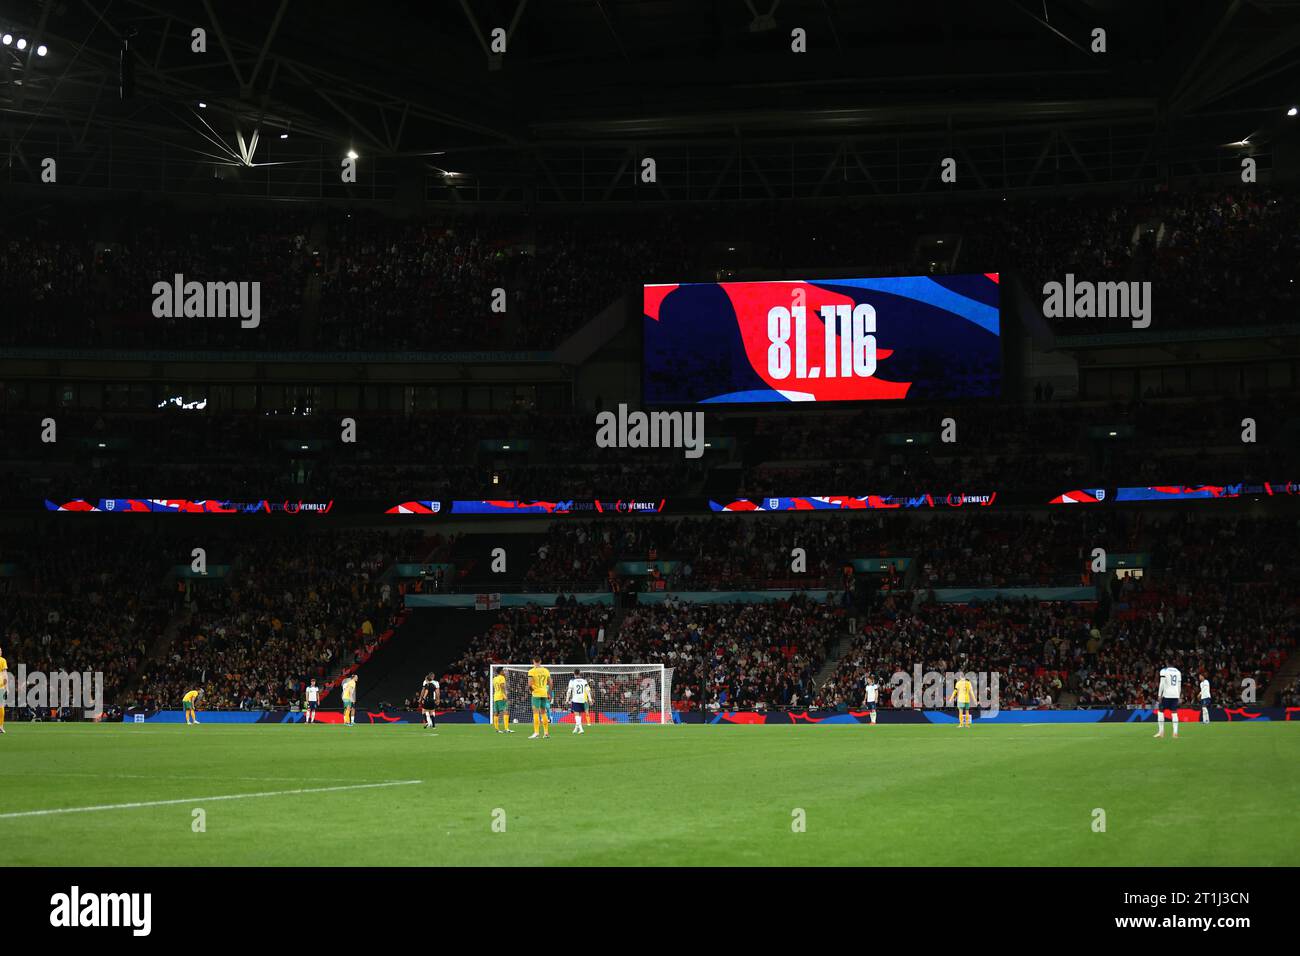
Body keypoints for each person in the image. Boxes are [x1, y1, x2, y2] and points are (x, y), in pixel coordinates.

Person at [1153, 664, 1181, 739]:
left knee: (1160, 711)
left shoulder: (1164, 671)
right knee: (1174, 713)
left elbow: (1162, 683)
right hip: (1175, 695)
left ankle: (1161, 732)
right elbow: (1179, 685)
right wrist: (1178, 696)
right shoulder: (1178, 672)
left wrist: (1159, 695)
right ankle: (1175, 733)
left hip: (1167, 695)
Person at [526, 657, 551, 740]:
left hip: (536, 694)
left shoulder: (531, 671)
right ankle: (546, 733)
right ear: (540, 661)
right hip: (544, 693)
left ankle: (536, 733)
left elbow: (529, 684)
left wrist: (531, 691)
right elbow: (551, 682)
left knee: (536, 713)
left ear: (533, 661)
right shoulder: (546, 670)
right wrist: (549, 693)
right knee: (543, 713)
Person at [565, 669, 589, 735]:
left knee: (576, 715)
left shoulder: (572, 681)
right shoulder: (584, 681)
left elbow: (569, 691)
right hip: (582, 699)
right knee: (579, 715)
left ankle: (581, 729)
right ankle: (576, 728)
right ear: (580, 673)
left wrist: (567, 699)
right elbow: (587, 690)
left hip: (575, 699)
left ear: (574, 673)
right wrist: (590, 699)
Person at [491, 669, 512, 734]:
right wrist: (504, 695)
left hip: (495, 697)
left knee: (496, 712)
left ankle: (497, 729)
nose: (504, 672)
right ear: (500, 672)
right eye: (503, 671)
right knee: (506, 711)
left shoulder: (494, 678)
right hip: (501, 696)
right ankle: (506, 729)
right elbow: (502, 686)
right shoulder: (502, 677)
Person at [0, 643, 8, 735]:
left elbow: (5, 674)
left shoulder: (2, 660)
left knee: (1, 707)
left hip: (0, 686)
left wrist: (6, 686)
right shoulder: (2, 660)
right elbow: (5, 674)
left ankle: (1, 726)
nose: (1, 651)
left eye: (1, 650)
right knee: (1, 707)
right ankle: (1, 726)